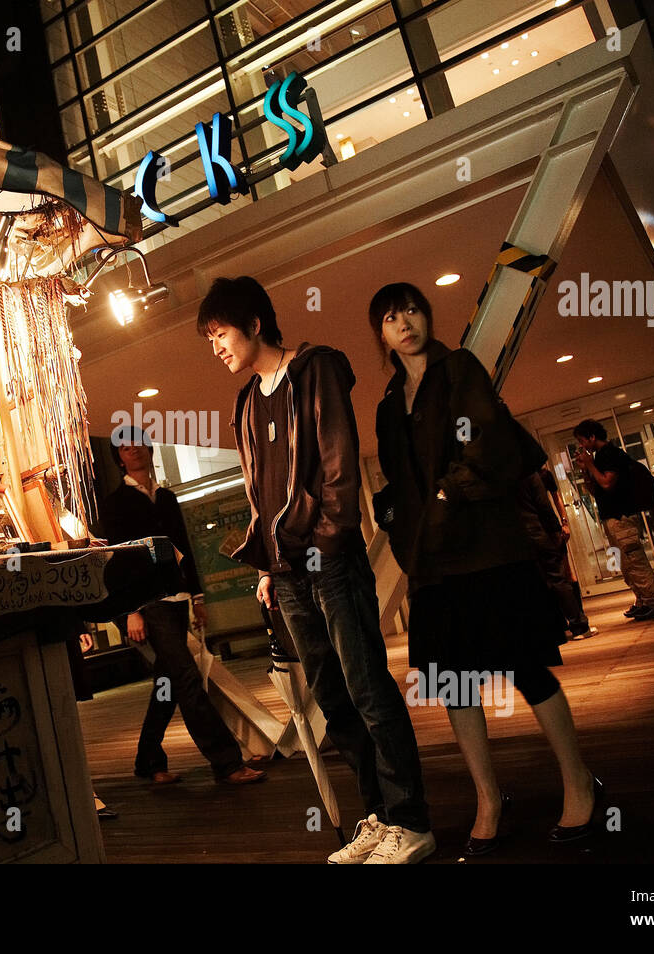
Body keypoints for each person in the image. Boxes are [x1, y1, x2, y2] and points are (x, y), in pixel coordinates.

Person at [199, 276, 433, 864]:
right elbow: (261, 494)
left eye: (220, 332)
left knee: (367, 686)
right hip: (286, 573)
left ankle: (411, 820)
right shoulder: (247, 400)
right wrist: (268, 565)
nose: (216, 347)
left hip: (329, 561)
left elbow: (338, 469)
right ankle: (378, 816)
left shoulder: (318, 368)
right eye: (210, 338)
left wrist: (325, 544)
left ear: (254, 323)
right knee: (331, 697)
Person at [370, 282, 601, 852]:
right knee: (455, 685)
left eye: (414, 311)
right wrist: (402, 522)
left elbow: (487, 445)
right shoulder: (387, 404)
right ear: (381, 333)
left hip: (490, 550)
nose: (406, 323)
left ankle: (579, 784)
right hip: (433, 563)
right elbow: (396, 483)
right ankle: (489, 797)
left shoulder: (460, 369)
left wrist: (446, 500)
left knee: (527, 667)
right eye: (393, 317)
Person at [98, 425, 267, 787]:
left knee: (168, 683)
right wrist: (131, 611)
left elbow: (184, 549)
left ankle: (148, 760)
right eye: (125, 447)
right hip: (148, 604)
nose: (134, 450)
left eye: (138, 444)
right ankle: (226, 763)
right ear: (119, 458)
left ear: (148, 449)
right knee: (187, 679)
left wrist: (197, 596)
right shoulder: (115, 504)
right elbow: (116, 561)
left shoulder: (168, 499)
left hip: (176, 600)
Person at [572, 419, 654, 620]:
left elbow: (607, 483)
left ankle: (653, 602)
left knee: (634, 560)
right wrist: (585, 469)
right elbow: (594, 490)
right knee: (624, 563)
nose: (581, 445)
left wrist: (590, 464)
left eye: (582, 440)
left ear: (592, 436)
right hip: (611, 517)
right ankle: (642, 600)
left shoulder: (611, 454)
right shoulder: (599, 457)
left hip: (621, 515)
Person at [518, 468, 596, 640]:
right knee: (560, 577)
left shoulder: (503, 475)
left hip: (522, 535)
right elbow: (544, 504)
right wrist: (558, 527)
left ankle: (557, 626)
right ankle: (579, 624)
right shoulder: (532, 474)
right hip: (542, 530)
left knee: (542, 581)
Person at [538, 466, 599, 631]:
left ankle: (577, 614)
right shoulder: (527, 476)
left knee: (566, 572)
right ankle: (572, 618)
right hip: (544, 529)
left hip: (551, 527)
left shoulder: (543, 475)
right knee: (556, 576)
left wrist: (564, 522)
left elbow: (556, 497)